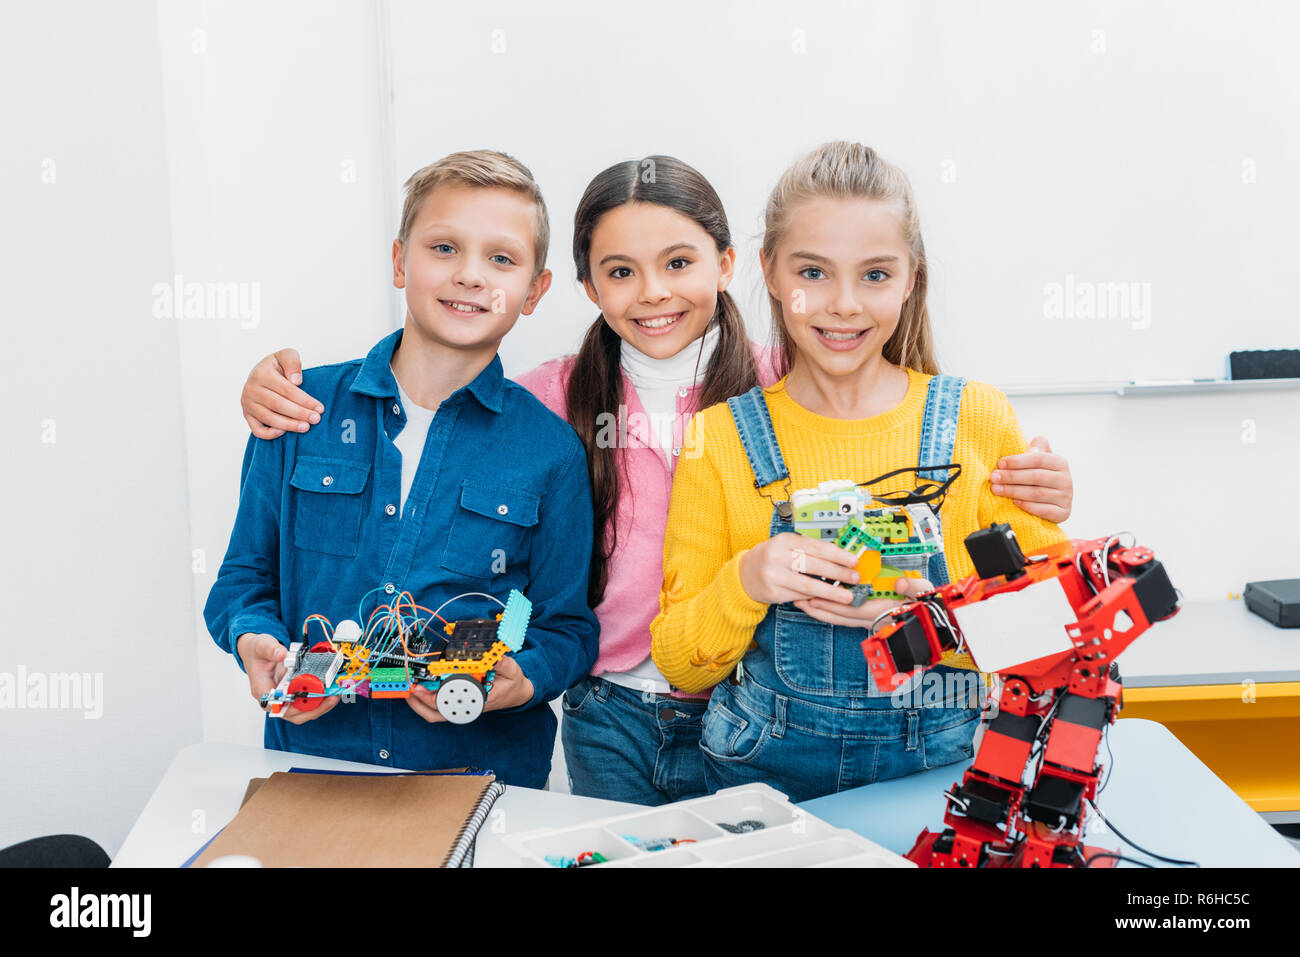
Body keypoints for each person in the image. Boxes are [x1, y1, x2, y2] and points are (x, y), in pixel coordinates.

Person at [236, 155, 1075, 806]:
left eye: (678, 261)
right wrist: (281, 384)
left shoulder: (792, 375)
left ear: (728, 262)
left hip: (744, 707)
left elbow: (910, 448)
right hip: (609, 709)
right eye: (621, 271)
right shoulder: (547, 402)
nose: (653, 293)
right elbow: (437, 416)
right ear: (581, 285)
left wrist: (1034, 489)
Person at [650, 141, 1070, 803]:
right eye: (813, 272)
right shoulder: (721, 438)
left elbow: (1052, 639)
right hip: (763, 795)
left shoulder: (976, 419)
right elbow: (679, 659)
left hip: (935, 787)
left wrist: (927, 622)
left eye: (875, 275)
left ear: (911, 278)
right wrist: (749, 576)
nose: (843, 303)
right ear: (769, 271)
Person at [204, 150, 598, 788]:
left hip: (479, 782)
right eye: (444, 247)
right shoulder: (298, 411)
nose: (470, 275)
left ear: (534, 290)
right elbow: (243, 582)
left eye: (501, 258)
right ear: (399, 262)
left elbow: (565, 625)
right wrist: (255, 640)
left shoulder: (549, 450)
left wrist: (521, 677)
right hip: (315, 771)